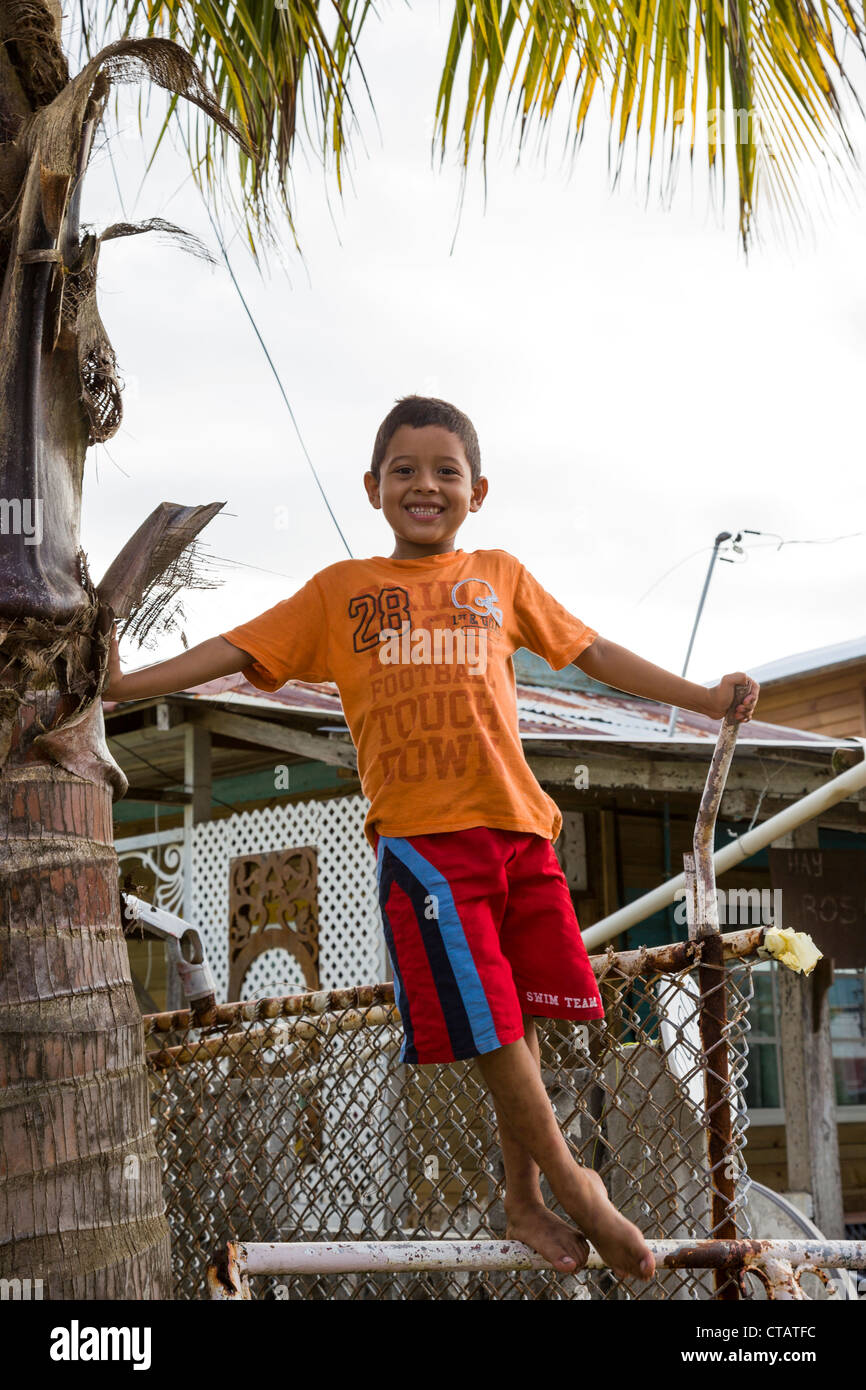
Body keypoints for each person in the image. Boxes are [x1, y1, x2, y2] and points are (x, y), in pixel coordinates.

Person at [106, 395, 759, 1283]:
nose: (425, 485)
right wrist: (122, 683)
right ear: (373, 488)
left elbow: (594, 653)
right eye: (404, 471)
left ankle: (523, 1196)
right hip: (424, 842)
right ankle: (576, 1185)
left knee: (521, 1017)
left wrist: (705, 699)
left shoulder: (501, 577)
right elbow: (233, 647)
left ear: (477, 489)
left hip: (525, 834)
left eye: (445, 471)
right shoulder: (341, 592)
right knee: (487, 1024)